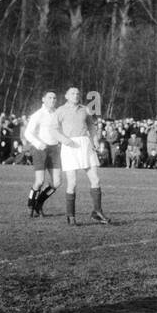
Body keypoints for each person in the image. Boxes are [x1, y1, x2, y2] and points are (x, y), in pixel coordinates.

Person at [54, 87, 114, 226]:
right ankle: (71, 216)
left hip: (85, 144)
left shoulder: (85, 109)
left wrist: (95, 141)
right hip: (69, 146)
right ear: (67, 96)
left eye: (78, 94)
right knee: (72, 183)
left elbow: (91, 126)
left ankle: (97, 212)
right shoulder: (60, 111)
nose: (76, 95)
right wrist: (64, 140)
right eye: (73, 93)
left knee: (95, 179)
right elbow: (53, 129)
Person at [22, 92, 63, 217]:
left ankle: (39, 203)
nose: (52, 100)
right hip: (40, 150)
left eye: (54, 98)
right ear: (43, 99)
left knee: (57, 182)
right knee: (39, 181)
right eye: (49, 97)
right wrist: (39, 144)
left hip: (55, 149)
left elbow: (61, 130)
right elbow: (28, 133)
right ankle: (30, 204)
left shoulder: (58, 114)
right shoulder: (38, 115)